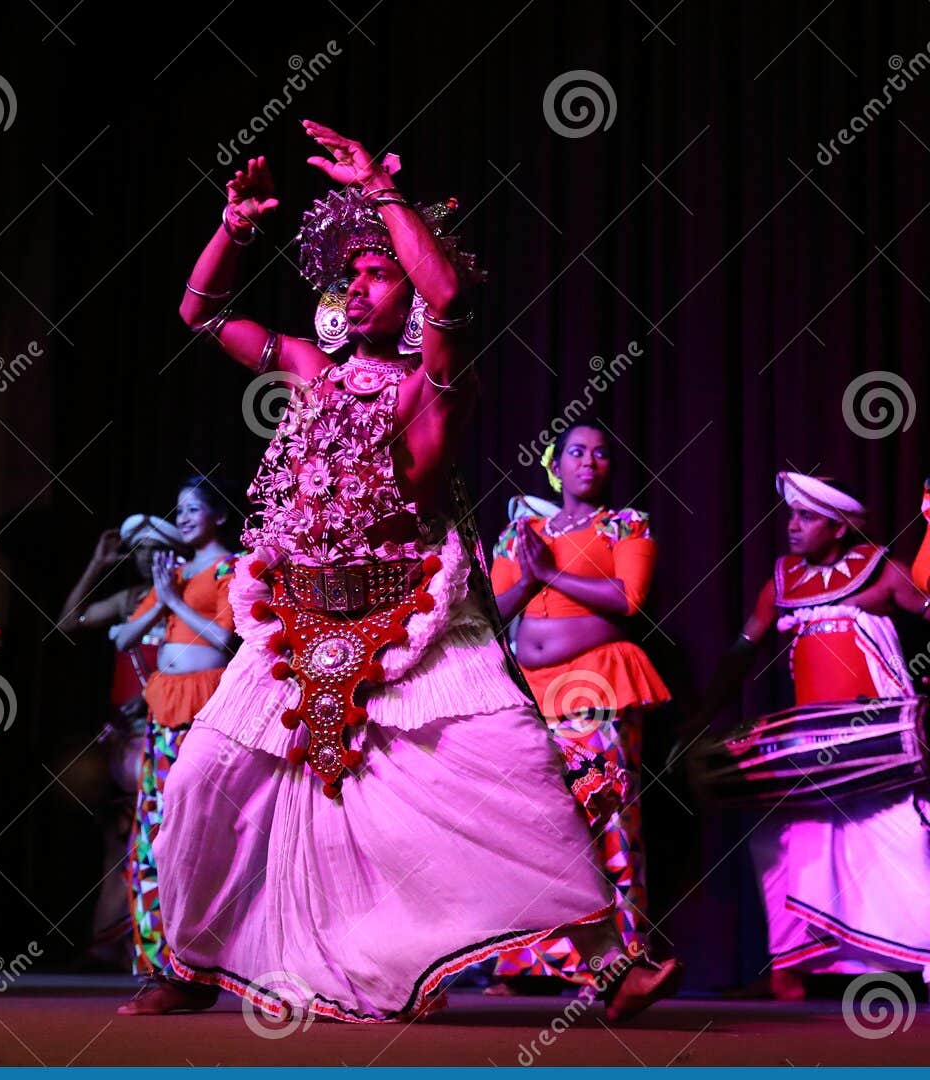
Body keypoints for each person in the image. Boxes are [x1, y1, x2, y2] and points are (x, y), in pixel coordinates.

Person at [121, 119, 681, 1022]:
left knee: (513, 775)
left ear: (408, 295)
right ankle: (188, 960)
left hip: (413, 619)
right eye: (354, 272)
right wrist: (232, 226)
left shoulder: (433, 384)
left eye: (380, 271)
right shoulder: (309, 370)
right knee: (200, 782)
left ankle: (610, 961)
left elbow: (453, 295)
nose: (358, 283)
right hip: (295, 624)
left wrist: (383, 194)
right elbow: (201, 313)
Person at [689, 472, 930, 996]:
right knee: (785, 845)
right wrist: (702, 717)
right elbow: (742, 652)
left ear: (839, 526)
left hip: (876, 743)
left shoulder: (884, 571)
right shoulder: (780, 579)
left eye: (807, 516)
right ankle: (792, 969)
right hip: (808, 749)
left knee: (903, 844)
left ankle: (914, 963)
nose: (793, 526)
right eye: (792, 515)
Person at [489, 424, 671, 988]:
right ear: (555, 465)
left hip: (597, 683)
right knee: (534, 823)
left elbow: (628, 598)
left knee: (608, 816)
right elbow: (494, 610)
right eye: (576, 451)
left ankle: (621, 960)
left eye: (600, 453)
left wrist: (551, 573)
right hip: (530, 689)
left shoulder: (624, 524)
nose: (589, 461)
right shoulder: (523, 532)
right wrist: (532, 575)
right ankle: (529, 961)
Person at [107, 482, 241, 981]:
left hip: (205, 704)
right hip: (165, 705)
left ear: (218, 516)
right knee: (152, 829)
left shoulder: (233, 568)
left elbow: (225, 639)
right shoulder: (176, 572)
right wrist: (162, 600)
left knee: (193, 826)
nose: (183, 518)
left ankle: (198, 957)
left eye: (193, 509)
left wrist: (173, 602)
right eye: (178, 510)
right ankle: (154, 956)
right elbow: (123, 636)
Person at [56, 514, 184, 966]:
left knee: (159, 840)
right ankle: (115, 939)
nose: (148, 558)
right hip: (121, 738)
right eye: (141, 550)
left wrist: (152, 699)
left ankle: (162, 945)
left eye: (156, 549)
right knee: (118, 840)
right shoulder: (128, 599)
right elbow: (69, 621)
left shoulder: (182, 598)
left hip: (167, 729)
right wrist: (97, 564)